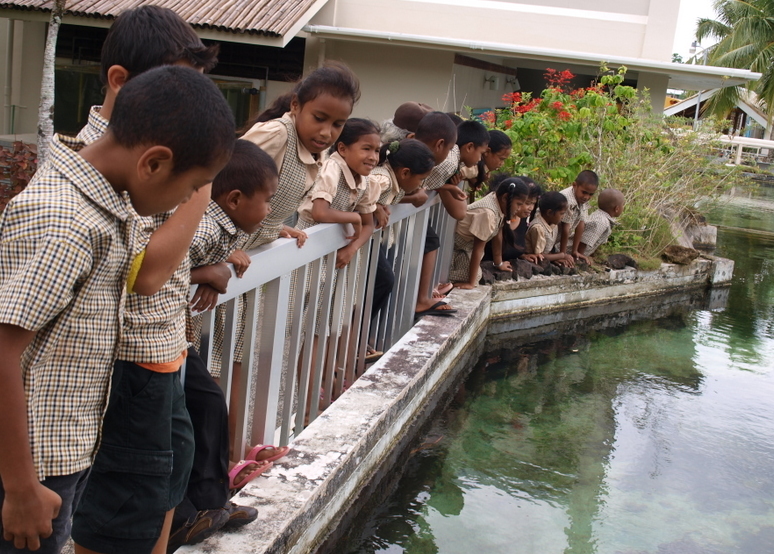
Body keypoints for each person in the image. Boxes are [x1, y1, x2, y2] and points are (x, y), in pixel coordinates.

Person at [0, 65, 233, 554]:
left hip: (65, 449)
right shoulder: (68, 223)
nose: (191, 200)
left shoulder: (108, 208)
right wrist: (20, 488)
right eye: (194, 187)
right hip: (34, 464)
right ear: (154, 163)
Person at [210, 62, 361, 380]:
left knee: (238, 351)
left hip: (251, 257)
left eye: (337, 124)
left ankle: (231, 429)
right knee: (208, 350)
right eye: (319, 119)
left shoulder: (316, 151)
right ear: (296, 106)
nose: (326, 132)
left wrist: (273, 226)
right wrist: (219, 248)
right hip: (220, 252)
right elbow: (217, 187)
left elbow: (259, 198)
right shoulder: (278, 134)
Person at [172, 140, 287, 552]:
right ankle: (187, 514)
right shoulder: (203, 224)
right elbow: (157, 264)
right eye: (268, 200)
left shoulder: (224, 224)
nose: (271, 210)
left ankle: (210, 502)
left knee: (207, 409)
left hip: (178, 337)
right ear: (235, 199)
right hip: (162, 339)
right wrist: (210, 270)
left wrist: (222, 261)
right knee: (189, 420)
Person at [369, 139, 436, 350]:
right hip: (360, 239)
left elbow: (393, 197)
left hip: (366, 239)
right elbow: (363, 191)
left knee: (383, 280)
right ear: (405, 173)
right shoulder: (383, 179)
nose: (422, 184)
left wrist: (412, 196)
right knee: (384, 280)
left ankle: (358, 337)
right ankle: (356, 336)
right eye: (421, 179)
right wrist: (374, 206)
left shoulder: (393, 179)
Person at [448, 178, 530, 289]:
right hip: (455, 248)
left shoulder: (498, 202)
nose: (519, 208)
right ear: (505, 198)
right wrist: (471, 283)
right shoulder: (488, 213)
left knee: (475, 273)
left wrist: (499, 263)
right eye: (519, 204)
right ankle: (448, 278)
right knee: (476, 276)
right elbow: (478, 248)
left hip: (467, 249)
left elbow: (498, 234)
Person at [557, 170, 599, 265]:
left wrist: (575, 251)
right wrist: (562, 255)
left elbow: (581, 224)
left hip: (559, 237)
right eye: (584, 192)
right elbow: (565, 228)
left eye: (590, 194)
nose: (586, 197)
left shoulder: (582, 200)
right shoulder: (566, 199)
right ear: (575, 185)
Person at [525, 191, 574, 266]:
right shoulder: (538, 228)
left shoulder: (554, 224)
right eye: (561, 213)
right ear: (549, 213)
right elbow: (539, 255)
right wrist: (562, 255)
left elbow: (547, 251)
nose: (563, 216)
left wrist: (555, 258)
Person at [579, 188, 625, 257]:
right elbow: (584, 240)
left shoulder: (600, 214)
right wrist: (578, 256)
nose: (623, 208)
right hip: (570, 252)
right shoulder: (601, 222)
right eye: (623, 205)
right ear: (617, 209)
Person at [469, 130, 512, 197]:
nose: (502, 163)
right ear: (487, 151)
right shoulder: (473, 167)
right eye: (501, 159)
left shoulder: (482, 170)